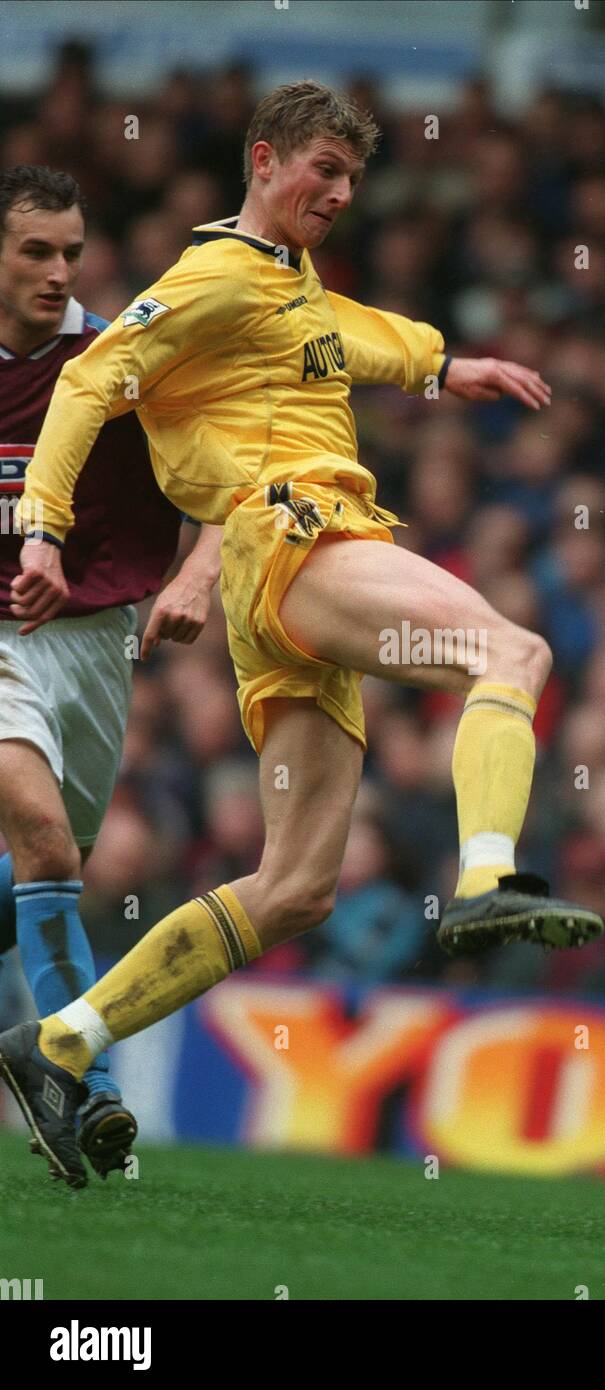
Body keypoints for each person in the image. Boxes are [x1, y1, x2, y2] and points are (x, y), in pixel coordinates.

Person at [0, 82, 603, 1188]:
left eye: (352, 180)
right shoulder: (213, 274)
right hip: (295, 535)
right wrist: (42, 530)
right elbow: (90, 381)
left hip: (277, 584)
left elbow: (342, 336)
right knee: (508, 652)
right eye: (320, 171)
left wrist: (438, 364)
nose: (336, 194)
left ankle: (59, 1040)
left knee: (294, 887)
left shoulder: (286, 284)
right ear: (264, 159)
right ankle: (482, 880)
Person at [0, 164, 222, 1177]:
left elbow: (239, 478)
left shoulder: (126, 359)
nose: (56, 270)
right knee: (46, 844)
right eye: (33, 250)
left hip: (96, 646)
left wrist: (200, 578)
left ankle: (43, 1058)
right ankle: (84, 1090)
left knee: (48, 868)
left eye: (70, 251)